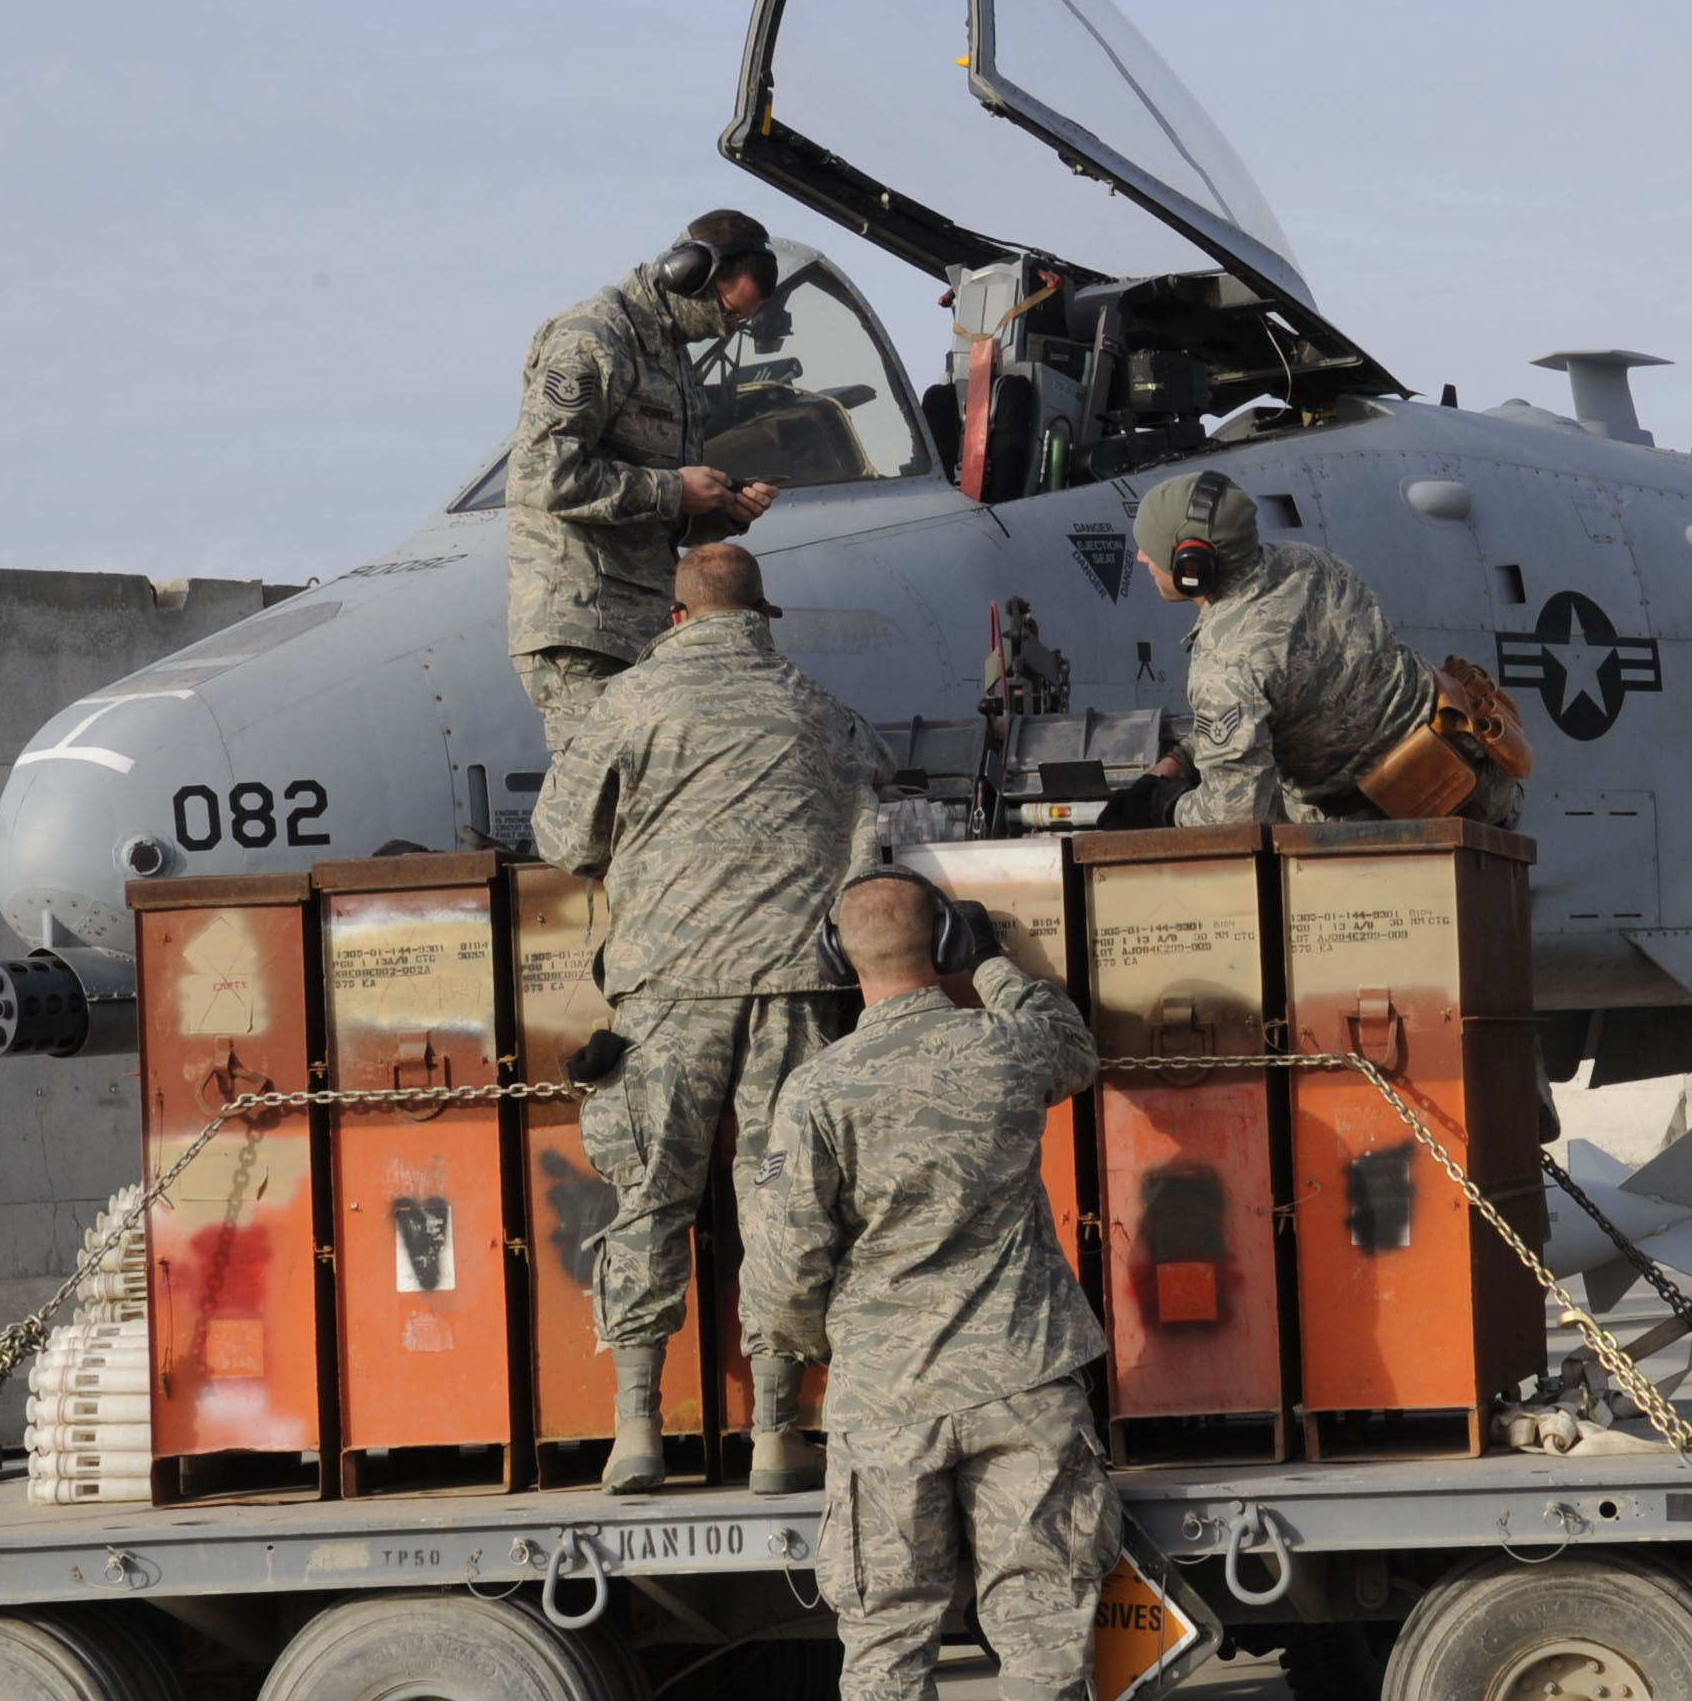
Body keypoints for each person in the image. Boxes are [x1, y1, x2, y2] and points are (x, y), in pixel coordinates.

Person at [531, 542, 891, 1496]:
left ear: (677, 618)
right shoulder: (819, 711)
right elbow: (878, 807)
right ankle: (778, 1437)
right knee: (782, 1199)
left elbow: (564, 839)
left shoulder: (631, 703)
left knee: (649, 1198)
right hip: (796, 998)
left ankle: (638, 1434)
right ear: (761, 618)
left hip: (667, 999)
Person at [766, 870, 1116, 1701]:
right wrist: (992, 960)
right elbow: (1072, 1046)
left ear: (837, 955)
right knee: (1043, 1630)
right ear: (947, 946)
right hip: (1022, 1378)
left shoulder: (816, 1089)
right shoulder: (1003, 1044)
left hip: (885, 1399)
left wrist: (835, 1347)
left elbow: (786, 1266)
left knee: (887, 1640)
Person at [509, 209, 786, 758]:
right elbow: (548, 475)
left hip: (642, 623)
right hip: (584, 622)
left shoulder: (673, 358)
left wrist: (723, 510)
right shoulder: (594, 338)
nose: (728, 328)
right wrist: (673, 489)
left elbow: (650, 500)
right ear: (687, 273)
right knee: (601, 797)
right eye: (730, 312)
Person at [1109, 468, 1529, 828]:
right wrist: (1183, 758)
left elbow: (1234, 816)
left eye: (1153, 548)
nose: (1143, 558)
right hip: (1476, 778)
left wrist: (1164, 806)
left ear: (1191, 567)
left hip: (1403, 825)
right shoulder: (1310, 563)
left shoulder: (1226, 662)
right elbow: (1300, 698)